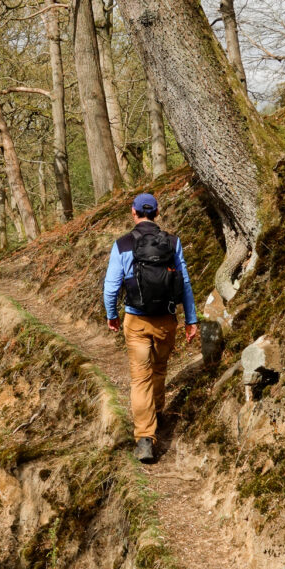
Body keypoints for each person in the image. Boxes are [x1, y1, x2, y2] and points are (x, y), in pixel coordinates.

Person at [103, 192, 198, 461]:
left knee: (140, 377)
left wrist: (112, 315)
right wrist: (191, 319)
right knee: (159, 368)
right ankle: (156, 412)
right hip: (166, 319)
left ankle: (145, 437)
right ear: (157, 213)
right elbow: (185, 283)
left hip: (136, 320)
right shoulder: (172, 242)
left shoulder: (122, 244)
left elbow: (111, 287)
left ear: (133, 213)